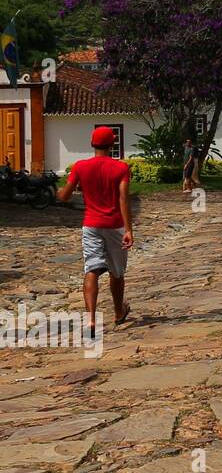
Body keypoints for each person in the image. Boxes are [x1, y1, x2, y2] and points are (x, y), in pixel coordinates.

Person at [57, 126, 133, 333]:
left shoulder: (80, 167)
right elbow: (123, 199)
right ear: (112, 144)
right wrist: (128, 229)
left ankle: (91, 318)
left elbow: (64, 196)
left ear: (92, 144)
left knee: (91, 269)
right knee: (116, 273)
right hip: (115, 225)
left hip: (91, 224)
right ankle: (118, 311)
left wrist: (58, 191)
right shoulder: (121, 169)